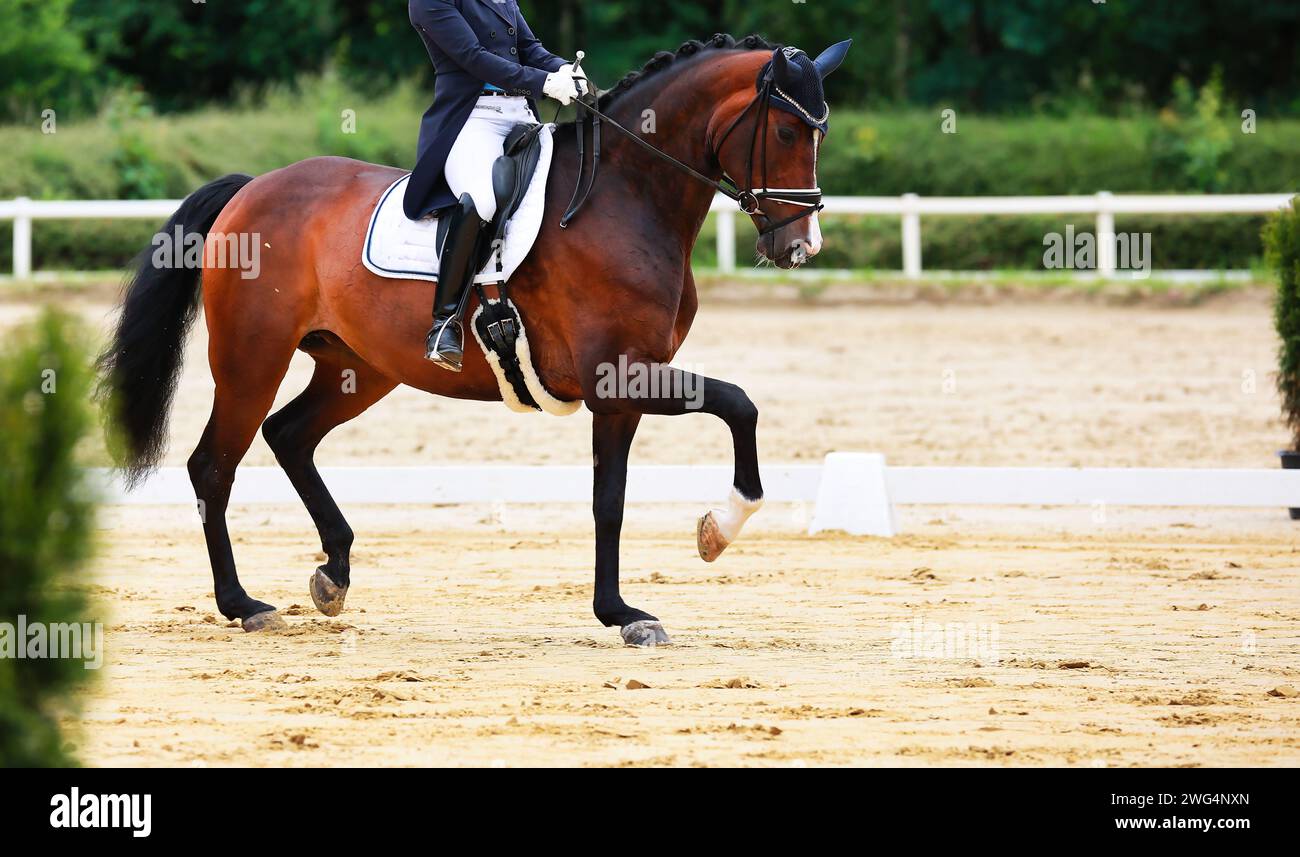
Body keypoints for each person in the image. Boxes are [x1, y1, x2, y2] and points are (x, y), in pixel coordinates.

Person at [403, 0, 587, 371]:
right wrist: (544, 82)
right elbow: (473, 57)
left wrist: (563, 69)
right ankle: (444, 323)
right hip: (472, 119)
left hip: (521, 114)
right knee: (483, 199)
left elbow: (530, 49)